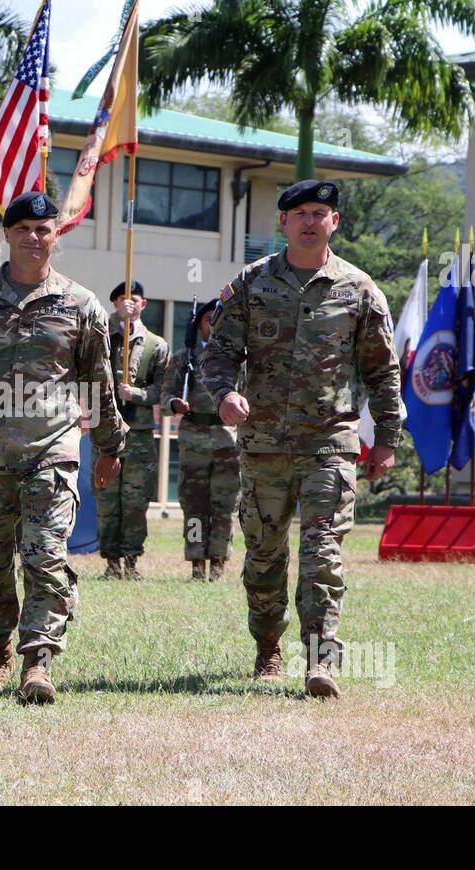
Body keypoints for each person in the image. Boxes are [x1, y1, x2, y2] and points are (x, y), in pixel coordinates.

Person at [0, 191, 127, 704]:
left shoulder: (81, 305)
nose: (35, 238)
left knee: (46, 555)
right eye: (24, 230)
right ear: (8, 235)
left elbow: (95, 383)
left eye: (44, 230)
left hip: (53, 451)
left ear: (56, 235)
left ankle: (38, 660)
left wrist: (108, 445)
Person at [200, 179, 401, 699]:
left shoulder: (359, 289)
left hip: (330, 442)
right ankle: (268, 648)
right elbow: (218, 353)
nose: (311, 221)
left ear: (334, 222)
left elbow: (382, 371)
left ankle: (320, 661)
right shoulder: (251, 283)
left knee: (322, 553)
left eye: (321, 213)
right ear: (284, 223)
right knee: (264, 555)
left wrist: (387, 438)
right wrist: (224, 394)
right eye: (301, 213)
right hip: (263, 443)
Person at [162, 299, 242, 581]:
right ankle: (197, 562)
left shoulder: (238, 362)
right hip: (194, 437)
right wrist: (174, 404)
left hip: (227, 439)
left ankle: (218, 563)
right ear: (199, 324)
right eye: (208, 319)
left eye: (218, 319)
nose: (213, 324)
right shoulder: (185, 358)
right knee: (194, 504)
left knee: (224, 504)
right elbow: (164, 396)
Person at [95, 280, 168, 580]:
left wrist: (136, 395)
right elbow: (90, 351)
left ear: (144, 304)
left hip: (138, 433)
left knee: (136, 501)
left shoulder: (156, 345)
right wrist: (115, 321)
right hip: (109, 430)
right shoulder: (105, 336)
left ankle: (132, 561)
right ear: (114, 304)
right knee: (108, 498)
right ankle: (111, 562)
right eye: (122, 300)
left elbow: (162, 390)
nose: (129, 303)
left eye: (134, 299)